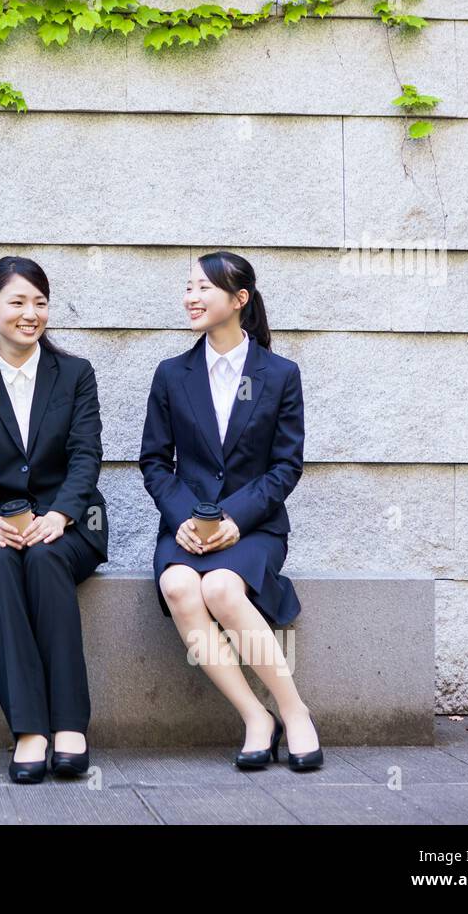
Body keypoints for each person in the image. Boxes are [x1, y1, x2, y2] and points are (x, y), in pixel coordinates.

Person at [140, 250, 323, 771]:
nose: (190, 298)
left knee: (220, 587)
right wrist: (185, 521)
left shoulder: (281, 374)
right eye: (188, 287)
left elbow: (286, 467)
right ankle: (255, 717)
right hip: (186, 527)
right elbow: (154, 461)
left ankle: (294, 710)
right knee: (179, 586)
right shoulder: (173, 374)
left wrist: (234, 521)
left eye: (203, 288)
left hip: (255, 527)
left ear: (239, 300)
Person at [0, 256, 108, 784]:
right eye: (17, 302)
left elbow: (87, 456)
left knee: (43, 559)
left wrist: (60, 513)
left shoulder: (76, 374)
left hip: (72, 523)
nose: (31, 313)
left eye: (40, 302)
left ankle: (68, 725)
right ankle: (28, 729)